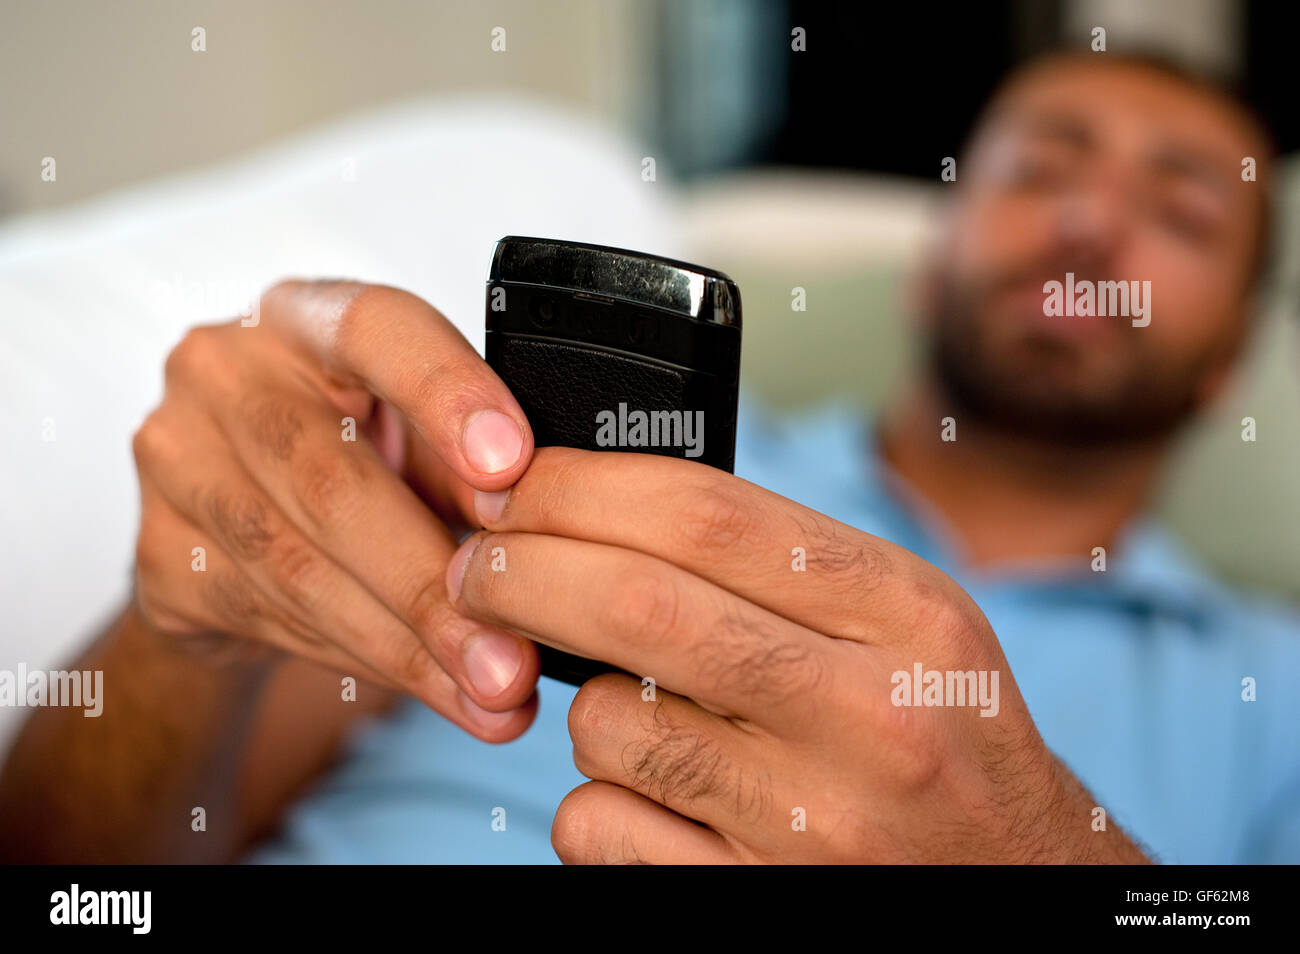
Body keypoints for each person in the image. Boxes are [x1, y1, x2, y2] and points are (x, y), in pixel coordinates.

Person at [1, 50, 1296, 864]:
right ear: (929, 266)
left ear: (1227, 364)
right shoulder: (520, 470)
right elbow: (72, 875)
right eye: (1041, 171)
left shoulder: (1275, 692)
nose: (1087, 221)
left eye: (1180, 207)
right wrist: (182, 633)